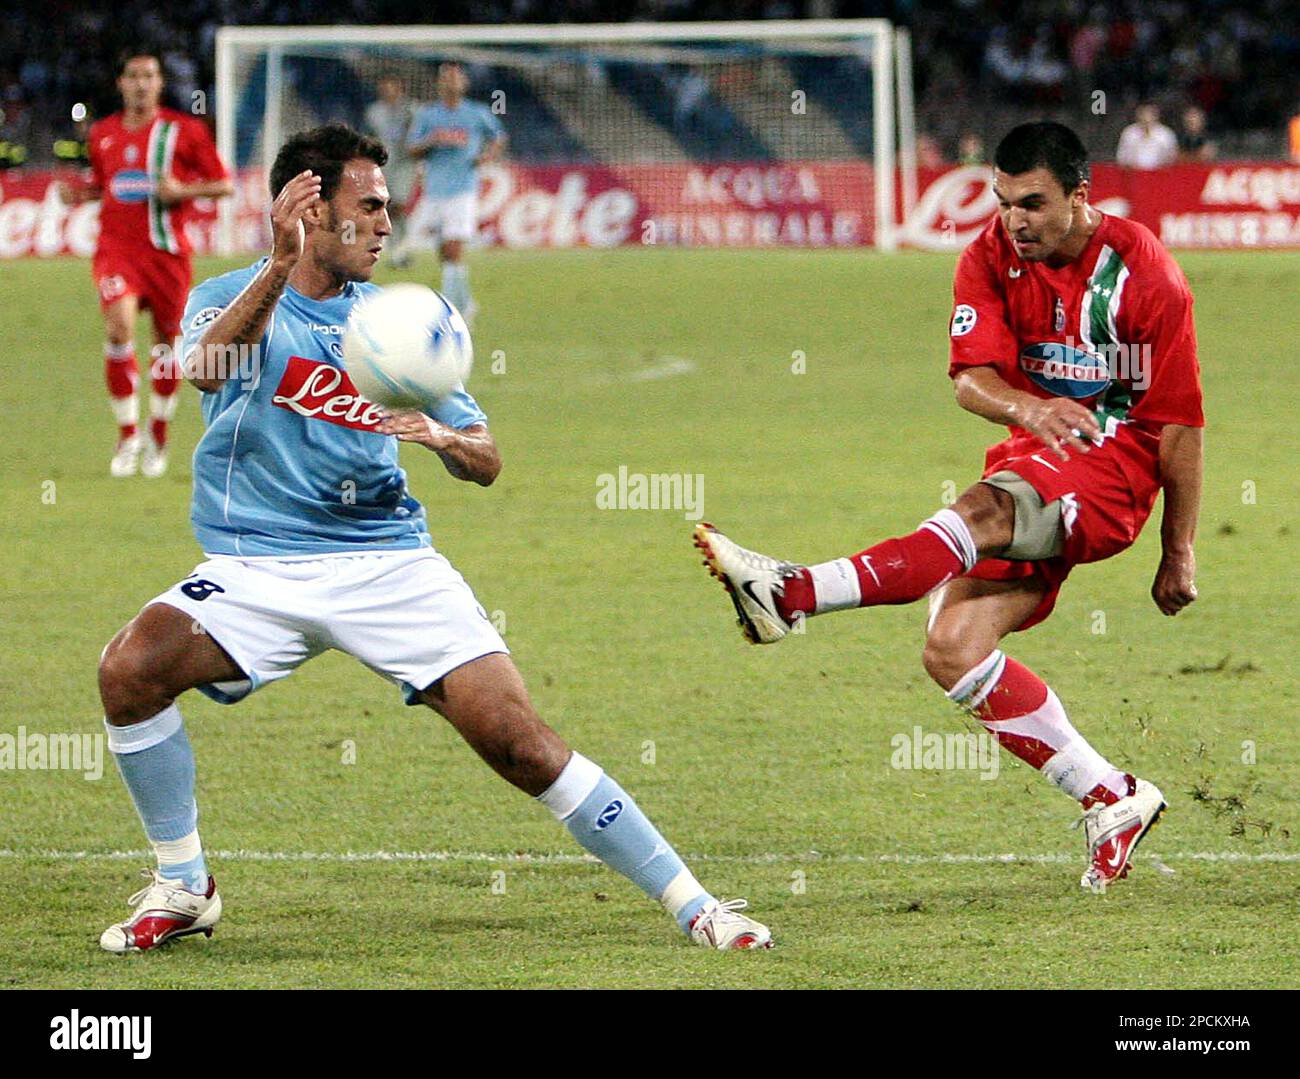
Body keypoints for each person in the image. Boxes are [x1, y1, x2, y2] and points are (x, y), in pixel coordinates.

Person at [94, 123, 771, 955]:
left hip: (389, 562)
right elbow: (204, 370)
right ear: (307, 209)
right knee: (129, 670)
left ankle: (697, 904)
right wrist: (277, 264)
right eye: (368, 205)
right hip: (255, 565)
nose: (386, 222)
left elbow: (487, 457)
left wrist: (446, 440)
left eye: (389, 206)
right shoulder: (230, 296)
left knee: (519, 742)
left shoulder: (403, 318)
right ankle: (184, 881)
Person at [695, 122, 1203, 894]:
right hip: (1035, 452)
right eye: (1003, 203)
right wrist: (1029, 408)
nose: (1015, 221)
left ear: (1080, 195)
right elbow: (970, 379)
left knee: (984, 511)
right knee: (953, 646)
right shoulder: (990, 257)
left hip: (1115, 468)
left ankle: (791, 593)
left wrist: (1179, 549)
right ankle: (1113, 795)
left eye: (1033, 203)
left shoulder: (1147, 275)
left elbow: (1180, 426)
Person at [61, 49, 232, 478]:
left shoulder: (184, 130)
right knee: (118, 328)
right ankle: (127, 434)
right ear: (121, 83)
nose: (141, 84)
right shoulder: (101, 133)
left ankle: (158, 429)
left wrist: (182, 192)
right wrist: (81, 194)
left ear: (160, 83)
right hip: (117, 251)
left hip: (167, 255)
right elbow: (108, 185)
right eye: (133, 76)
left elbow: (224, 185)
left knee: (164, 346)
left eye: (149, 76)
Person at [402, 62, 505, 322]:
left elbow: (499, 136)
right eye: (445, 78)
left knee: (454, 246)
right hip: (434, 189)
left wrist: (487, 157)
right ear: (439, 83)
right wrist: (432, 141)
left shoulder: (476, 113)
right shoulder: (428, 115)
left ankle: (449, 311)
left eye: (455, 78)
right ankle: (466, 304)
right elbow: (411, 149)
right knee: (444, 252)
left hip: (463, 189)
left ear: (464, 83)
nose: (450, 82)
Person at [363, 75, 418, 267]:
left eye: (391, 87)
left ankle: (402, 247)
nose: (387, 91)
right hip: (384, 166)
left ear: (399, 88)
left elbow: (417, 136)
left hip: (405, 164)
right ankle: (398, 251)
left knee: (400, 205)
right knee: (388, 208)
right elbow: (369, 137)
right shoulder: (374, 112)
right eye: (384, 87)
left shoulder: (412, 109)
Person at [1115, 103, 1177, 169]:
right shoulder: (1129, 132)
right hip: (1134, 172)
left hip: (1159, 173)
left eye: (1150, 114)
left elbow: (1172, 156)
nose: (1146, 117)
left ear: (1156, 116)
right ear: (1137, 115)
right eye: (1143, 114)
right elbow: (1121, 156)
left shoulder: (1166, 133)